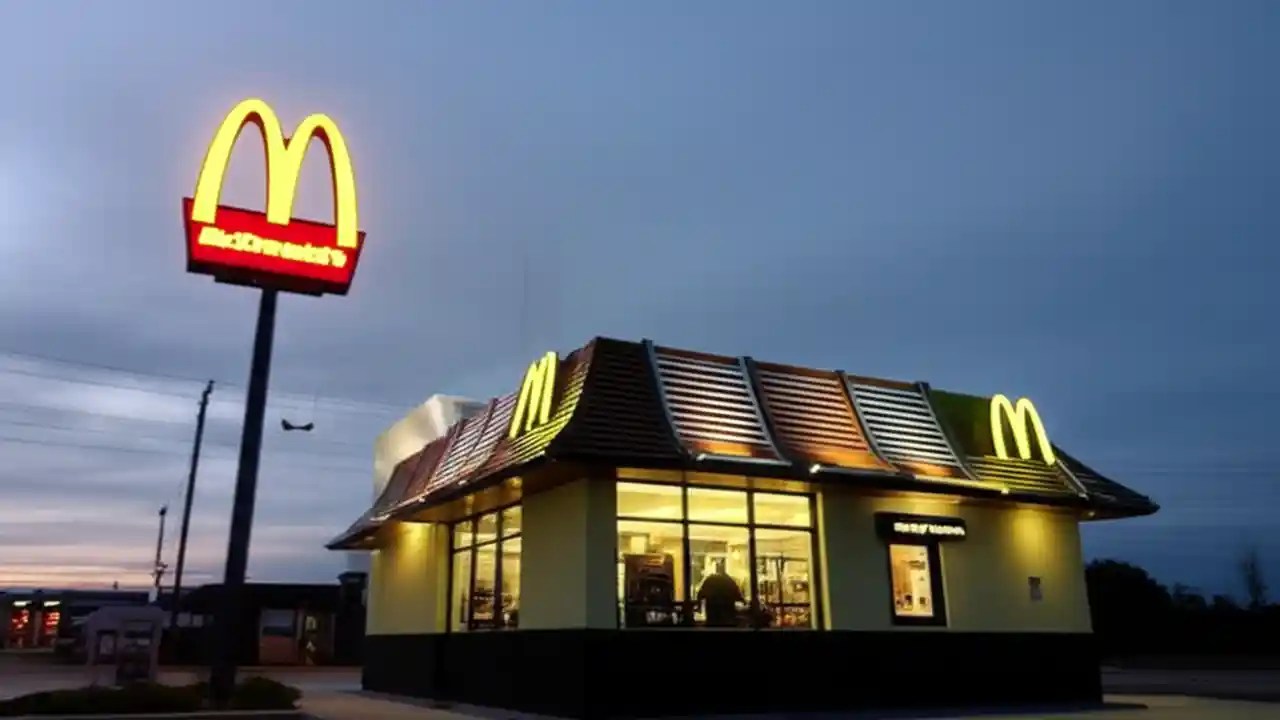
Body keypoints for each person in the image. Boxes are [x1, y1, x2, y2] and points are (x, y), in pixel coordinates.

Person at [696, 561, 744, 627]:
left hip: (712, 619)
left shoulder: (710, 580)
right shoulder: (729, 581)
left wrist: (699, 608)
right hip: (728, 620)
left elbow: (700, 594)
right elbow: (739, 597)